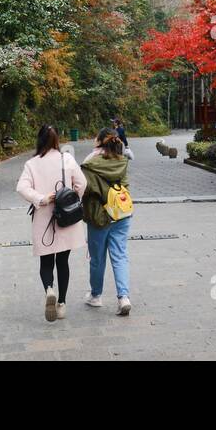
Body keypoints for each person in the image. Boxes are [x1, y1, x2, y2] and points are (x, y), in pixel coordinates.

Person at [15, 125, 87, 322]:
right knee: (63, 262)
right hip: (65, 218)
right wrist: (70, 197)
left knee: (46, 262)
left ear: (39, 140)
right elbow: (82, 183)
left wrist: (42, 199)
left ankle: (49, 289)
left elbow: (22, 187)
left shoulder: (32, 164)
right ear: (57, 140)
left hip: (43, 217)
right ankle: (62, 304)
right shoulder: (67, 159)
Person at [81, 130, 132, 316]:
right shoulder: (122, 161)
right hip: (121, 213)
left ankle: (96, 296)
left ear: (99, 142)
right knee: (120, 256)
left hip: (99, 216)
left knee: (97, 259)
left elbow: (83, 188)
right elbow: (125, 186)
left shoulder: (90, 163)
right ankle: (124, 297)